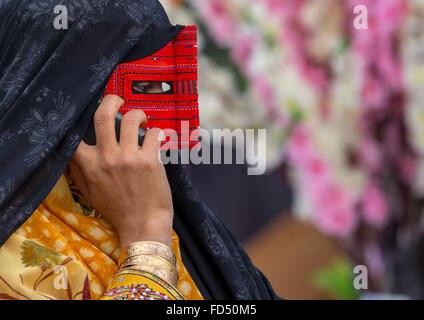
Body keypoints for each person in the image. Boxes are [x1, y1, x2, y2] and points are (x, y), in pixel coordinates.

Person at [0, 0, 280, 300]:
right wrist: (146, 232)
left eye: (164, 87)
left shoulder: (184, 221)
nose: (163, 124)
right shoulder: (12, 256)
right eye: (144, 87)